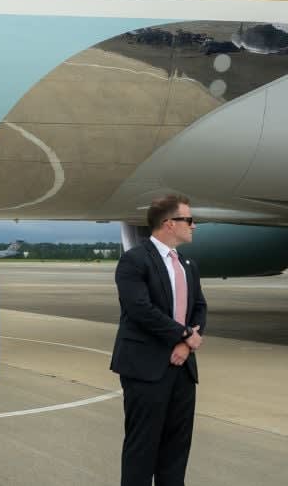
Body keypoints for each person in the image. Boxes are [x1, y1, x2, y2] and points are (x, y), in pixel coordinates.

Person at [111, 194, 207, 486]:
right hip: (145, 369)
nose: (194, 225)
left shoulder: (187, 263)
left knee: (176, 450)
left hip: (182, 368)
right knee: (142, 450)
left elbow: (199, 307)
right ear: (169, 223)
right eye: (188, 220)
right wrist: (183, 335)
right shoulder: (134, 261)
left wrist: (186, 343)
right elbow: (140, 309)